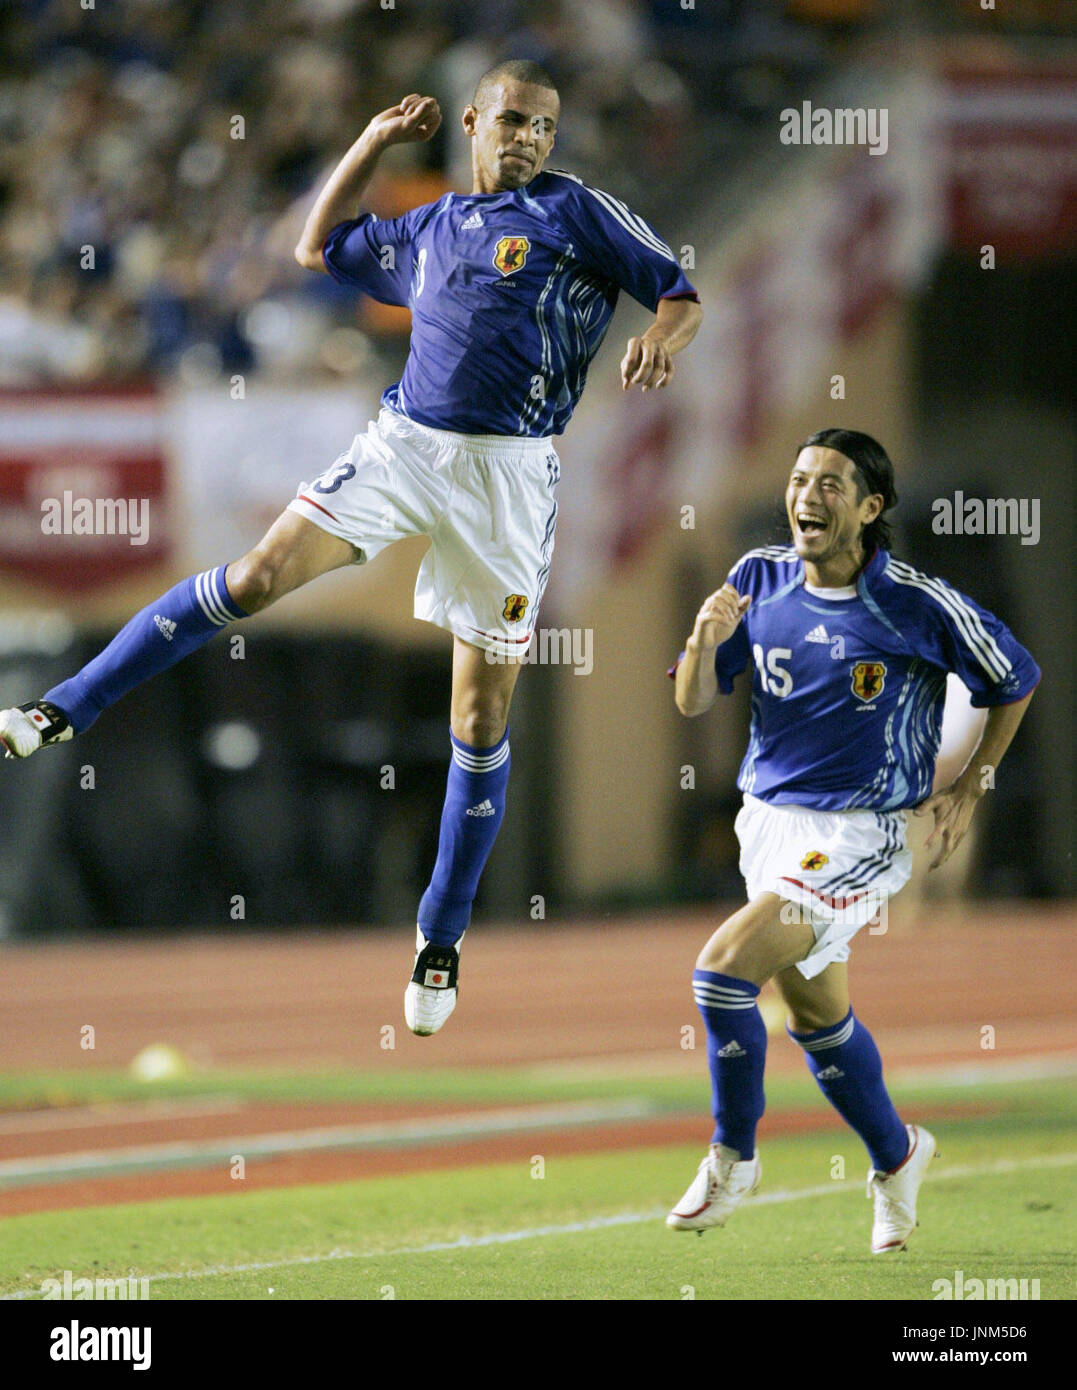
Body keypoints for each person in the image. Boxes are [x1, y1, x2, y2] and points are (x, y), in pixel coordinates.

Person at [1, 60, 702, 1037]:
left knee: (480, 709)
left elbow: (679, 289)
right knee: (253, 576)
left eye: (543, 126)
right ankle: (58, 709)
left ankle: (440, 938)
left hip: (511, 479)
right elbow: (314, 244)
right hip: (405, 446)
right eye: (512, 121)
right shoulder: (430, 226)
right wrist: (372, 142)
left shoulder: (577, 211)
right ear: (472, 121)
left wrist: (667, 336)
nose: (528, 139)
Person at [666, 428, 1039, 1251]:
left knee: (722, 972)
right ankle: (897, 1155)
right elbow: (694, 700)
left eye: (832, 484)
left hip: (860, 829)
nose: (808, 495)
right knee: (814, 1016)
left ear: (869, 508)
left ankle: (733, 1155)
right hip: (765, 822)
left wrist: (969, 786)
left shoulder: (913, 601)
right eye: (800, 480)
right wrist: (703, 635)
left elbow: (1015, 676)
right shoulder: (754, 579)